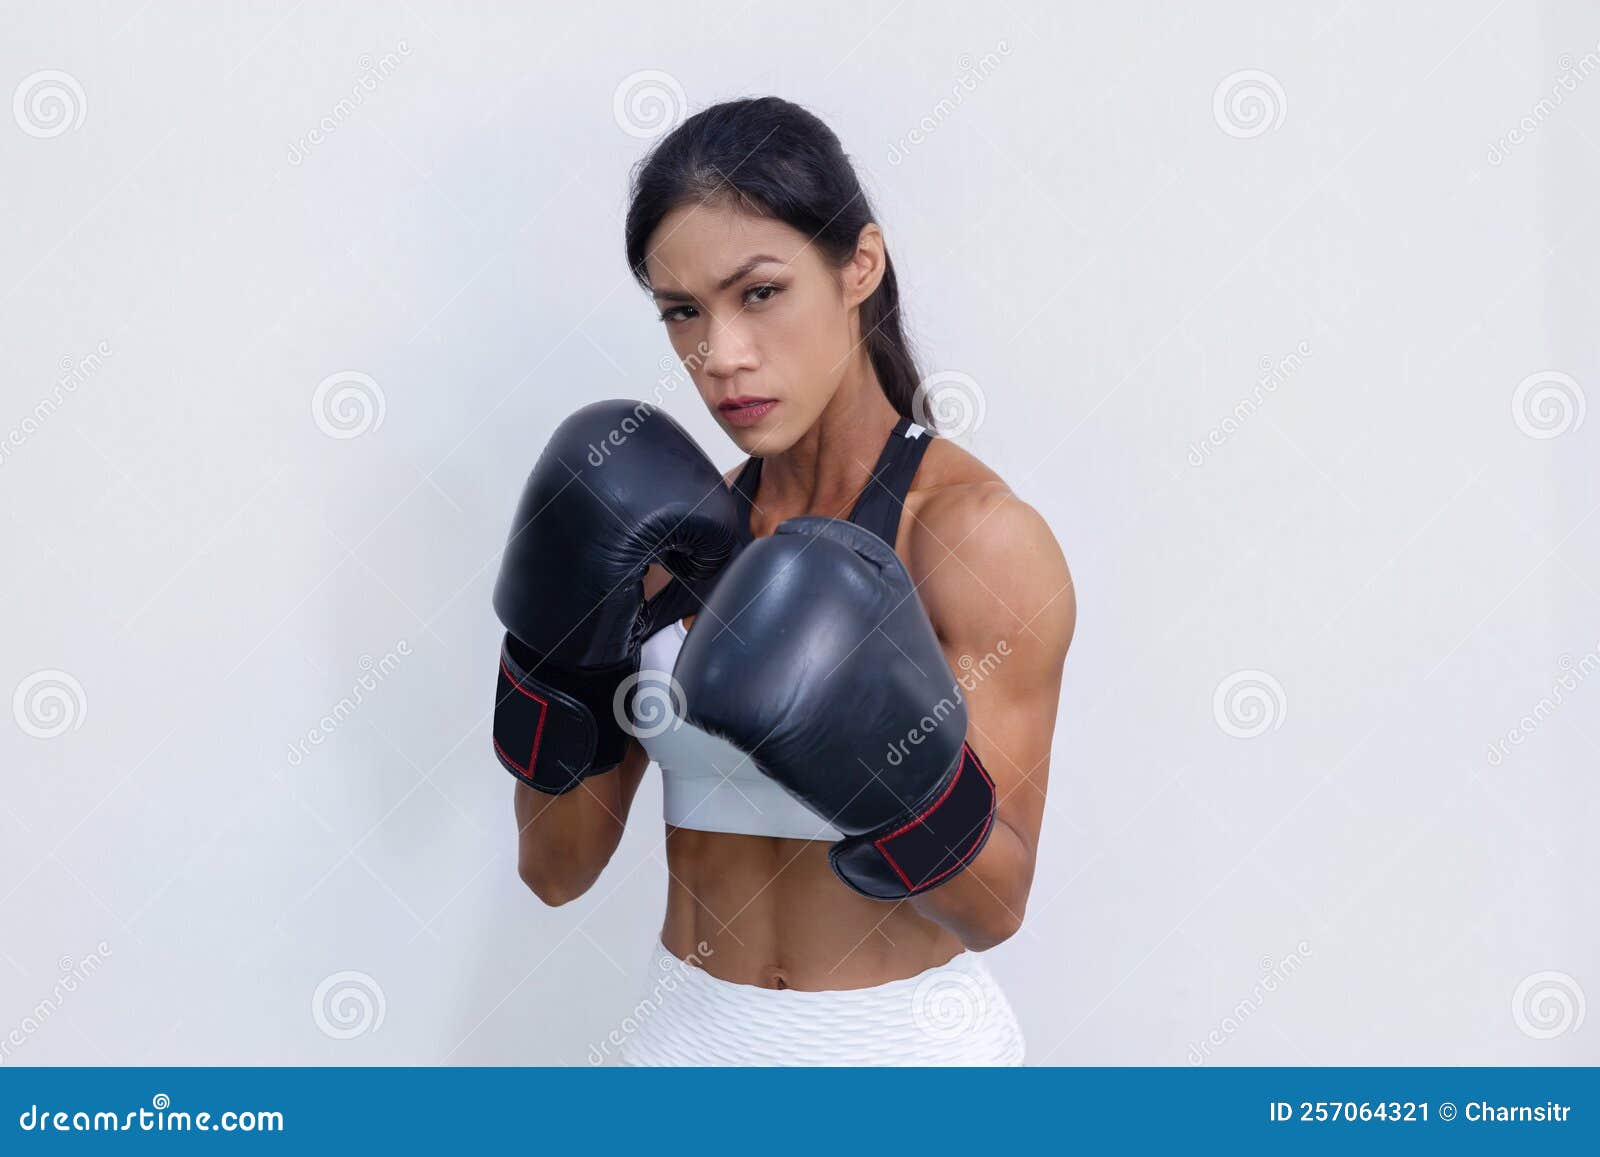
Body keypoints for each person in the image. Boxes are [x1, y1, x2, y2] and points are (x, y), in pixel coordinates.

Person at [493, 96, 1074, 1065]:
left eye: (758, 291)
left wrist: (882, 756)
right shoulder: (663, 533)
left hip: (899, 1061)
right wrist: (554, 650)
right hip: (679, 1045)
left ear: (859, 266)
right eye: (682, 311)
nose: (720, 356)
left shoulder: (977, 540)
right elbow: (554, 870)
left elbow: (995, 907)